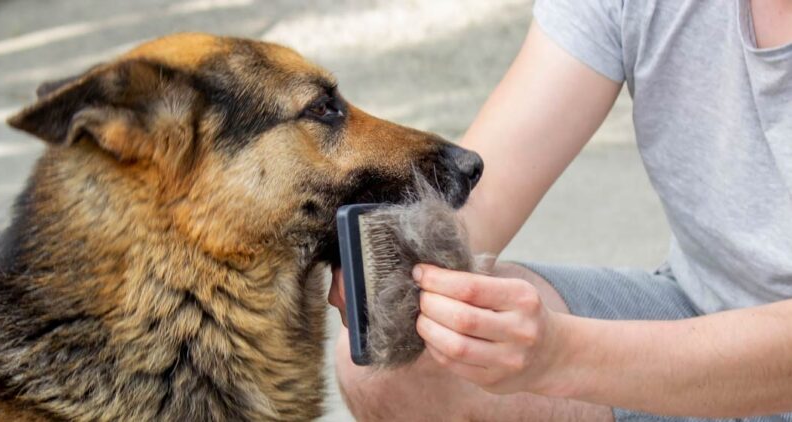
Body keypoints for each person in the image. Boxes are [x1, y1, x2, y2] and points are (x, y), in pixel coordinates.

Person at [329, 0, 792, 420]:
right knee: (391, 356)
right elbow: (481, 199)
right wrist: (400, 263)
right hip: (698, 304)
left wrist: (563, 356)